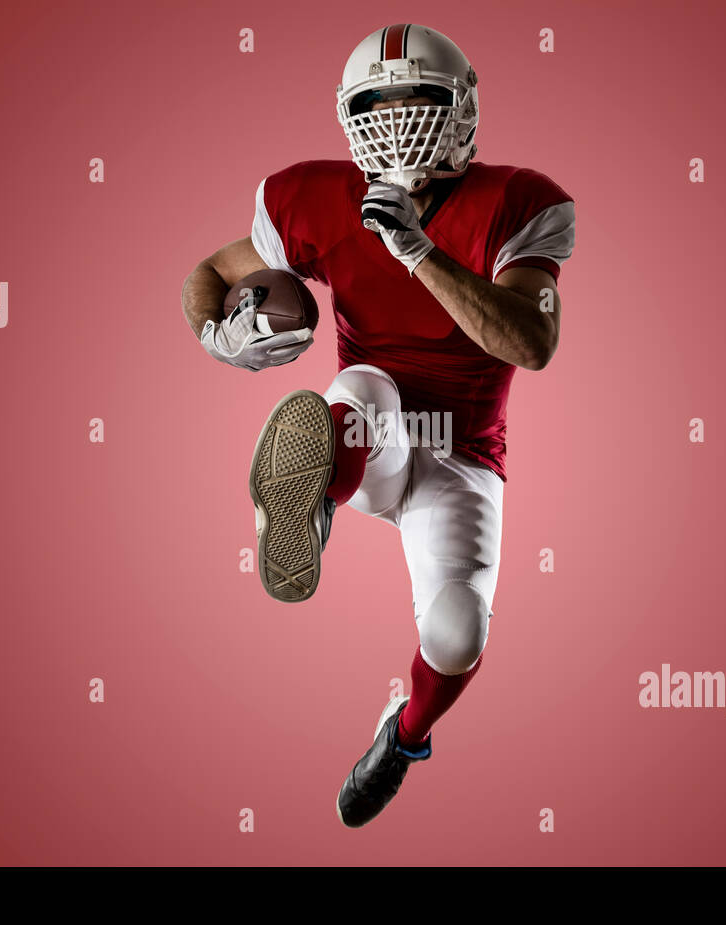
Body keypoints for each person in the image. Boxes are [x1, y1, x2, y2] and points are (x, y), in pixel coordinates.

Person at [182, 23, 576, 828]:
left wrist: (422, 254)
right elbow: (214, 271)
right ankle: (314, 494)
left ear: (461, 109)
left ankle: (400, 739)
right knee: (365, 393)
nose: (397, 120)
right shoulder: (315, 196)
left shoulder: (517, 201)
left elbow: (531, 344)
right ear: (347, 114)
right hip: (377, 433)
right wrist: (219, 334)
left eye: (418, 99)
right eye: (378, 103)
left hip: (462, 452)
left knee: (459, 629)